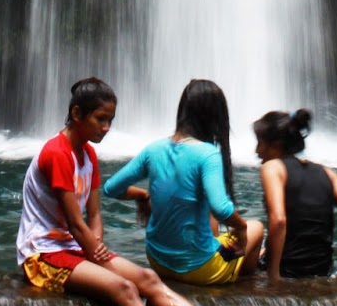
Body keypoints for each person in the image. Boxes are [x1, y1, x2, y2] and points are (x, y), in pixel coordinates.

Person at [17, 76, 262, 306]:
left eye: (110, 120)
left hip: (76, 248)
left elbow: (94, 216)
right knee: (124, 288)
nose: (106, 128)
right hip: (43, 254)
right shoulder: (57, 154)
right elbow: (76, 224)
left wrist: (96, 247)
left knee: (148, 278)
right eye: (100, 119)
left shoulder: (89, 154)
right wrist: (95, 252)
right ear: (77, 113)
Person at [103, 77, 264, 286]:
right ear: (215, 117)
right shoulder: (207, 154)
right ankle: (243, 282)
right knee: (257, 227)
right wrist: (241, 228)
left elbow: (110, 188)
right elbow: (220, 208)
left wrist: (141, 195)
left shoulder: (154, 149)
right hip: (201, 269)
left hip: (158, 262)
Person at [253, 107, 337, 282]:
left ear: (275, 145)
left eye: (259, 143)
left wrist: (273, 276)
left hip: (287, 269)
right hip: (322, 270)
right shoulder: (327, 172)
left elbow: (278, 220)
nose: (256, 151)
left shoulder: (272, 168)